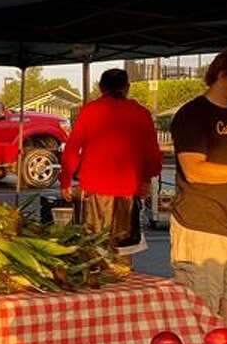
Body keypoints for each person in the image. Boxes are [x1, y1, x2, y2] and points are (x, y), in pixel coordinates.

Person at [169, 47, 227, 332]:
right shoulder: (192, 115)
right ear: (223, 75)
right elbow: (195, 171)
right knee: (201, 311)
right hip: (200, 228)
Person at [60, 68, 162, 264]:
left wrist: (65, 181)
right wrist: (146, 180)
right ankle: (123, 284)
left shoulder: (90, 111)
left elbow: (72, 150)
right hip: (127, 192)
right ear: (127, 87)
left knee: (92, 250)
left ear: (101, 87)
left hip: (93, 191)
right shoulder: (141, 113)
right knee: (124, 250)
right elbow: (152, 154)